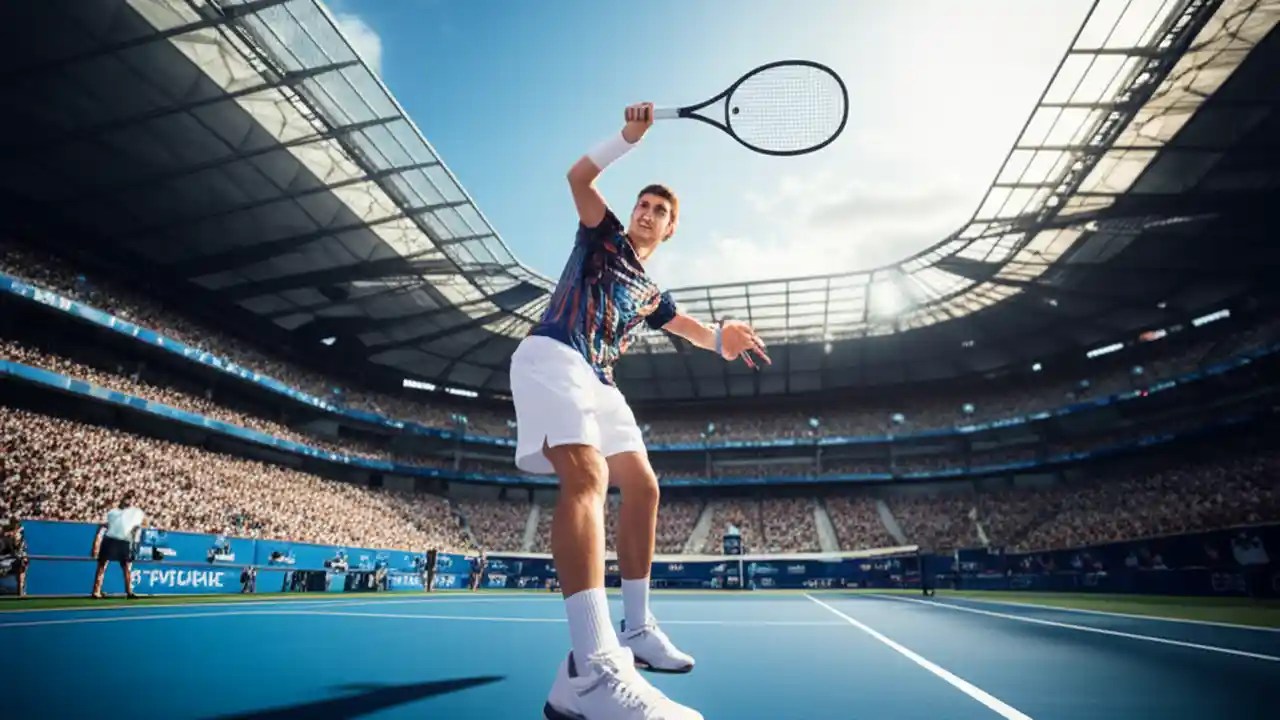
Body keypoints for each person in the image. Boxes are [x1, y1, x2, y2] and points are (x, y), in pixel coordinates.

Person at [512, 102, 770, 720]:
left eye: (660, 211)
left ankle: (636, 629)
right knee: (588, 477)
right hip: (553, 353)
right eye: (643, 205)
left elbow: (685, 327)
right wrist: (629, 138)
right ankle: (595, 671)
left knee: (644, 487)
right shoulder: (602, 237)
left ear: (671, 229)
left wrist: (720, 340)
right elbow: (578, 178)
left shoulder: (652, 291)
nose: (647, 213)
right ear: (631, 213)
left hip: (600, 376)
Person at [91, 495, 146, 599]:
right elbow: (102, 527)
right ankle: (96, 591)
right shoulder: (112, 513)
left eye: (131, 500)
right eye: (127, 499)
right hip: (110, 540)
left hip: (124, 542)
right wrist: (96, 544)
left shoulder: (136, 513)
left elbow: (141, 525)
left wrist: (135, 539)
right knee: (102, 566)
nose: (129, 502)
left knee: (127, 567)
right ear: (122, 500)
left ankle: (129, 592)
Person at [0, 518, 29, 597]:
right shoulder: (8, 539)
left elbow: (17, 545)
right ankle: (20, 593)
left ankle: (21, 593)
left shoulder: (20, 536)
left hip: (20, 558)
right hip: (16, 558)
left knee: (22, 576)